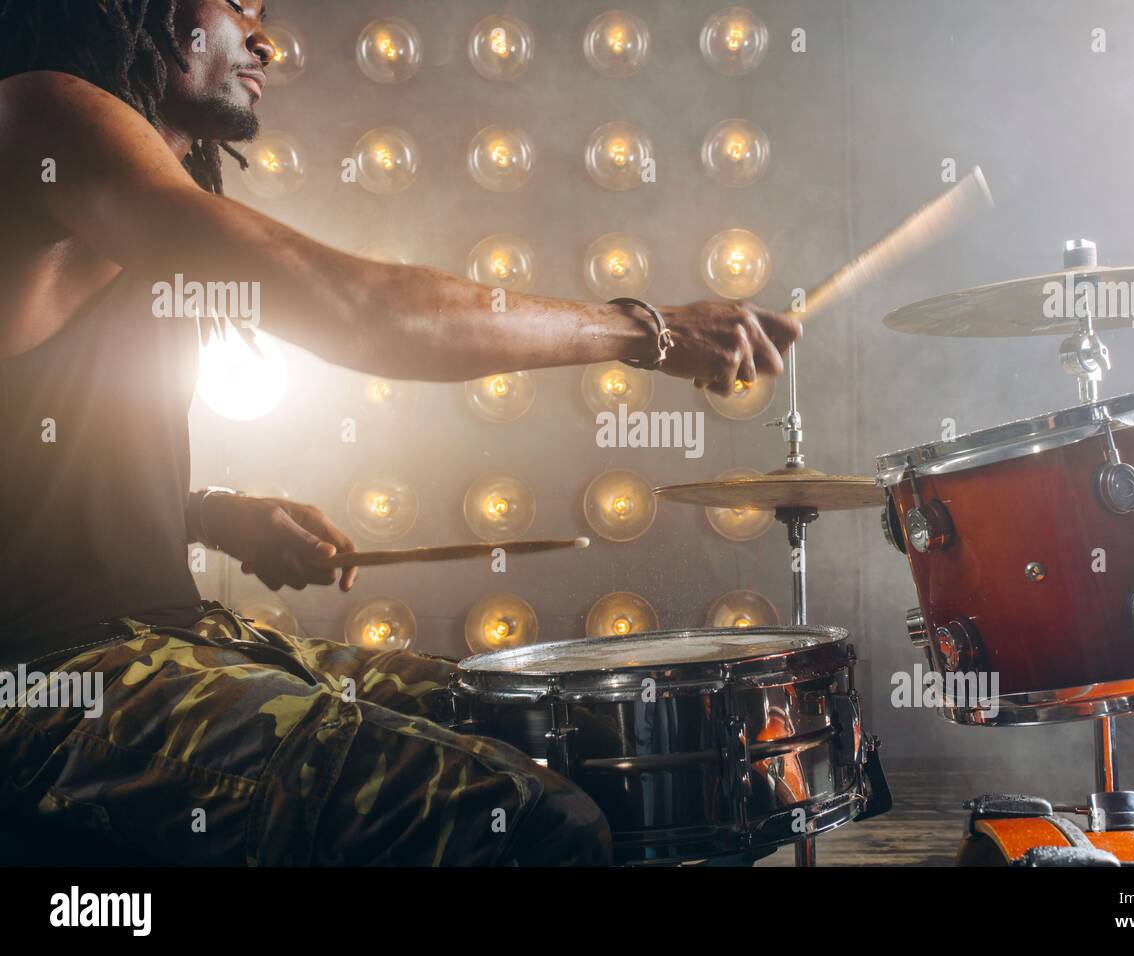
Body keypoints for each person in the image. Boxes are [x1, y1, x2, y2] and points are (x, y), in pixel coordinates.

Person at [0, 0, 800, 865]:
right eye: (237, 3)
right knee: (528, 820)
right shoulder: (42, 111)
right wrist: (650, 330)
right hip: (50, 678)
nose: (264, 37)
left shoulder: (130, 186)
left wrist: (207, 514)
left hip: (166, 638)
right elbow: (364, 312)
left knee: (564, 735)